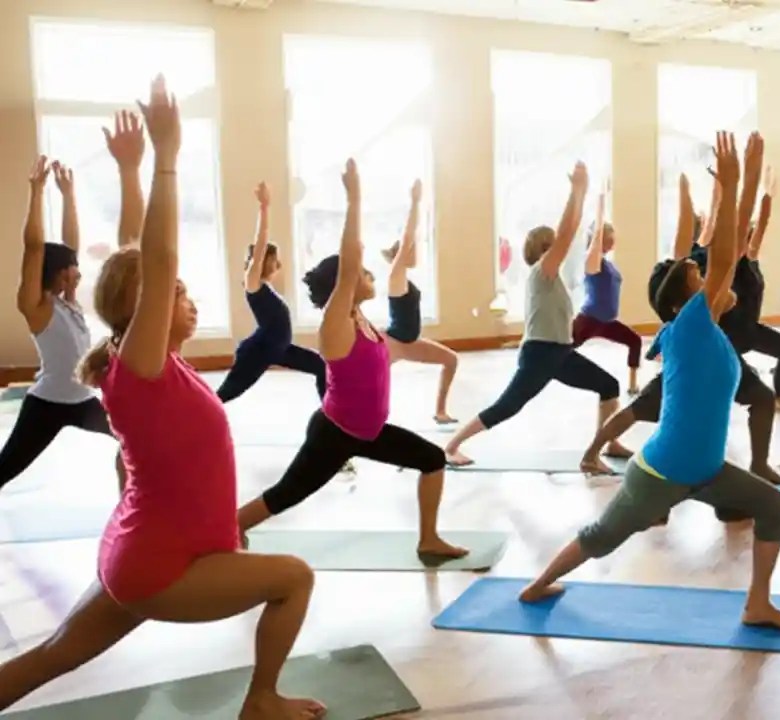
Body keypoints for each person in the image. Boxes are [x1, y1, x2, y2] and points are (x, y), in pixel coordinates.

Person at [0, 77, 326, 720]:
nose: (188, 298)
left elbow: (132, 250)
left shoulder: (144, 359)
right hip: (162, 566)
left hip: (144, 549)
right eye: (175, 293)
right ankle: (262, 701)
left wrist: (130, 170)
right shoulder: (141, 364)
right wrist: (168, 155)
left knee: (55, 656)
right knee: (294, 578)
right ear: (143, 306)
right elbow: (153, 253)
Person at [519, 131, 780, 634]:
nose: (716, 281)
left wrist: (748, 178)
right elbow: (725, 255)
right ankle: (539, 582)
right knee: (602, 536)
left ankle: (757, 603)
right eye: (701, 279)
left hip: (708, 469)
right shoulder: (692, 324)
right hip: (662, 472)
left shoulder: (703, 328)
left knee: (774, 507)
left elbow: (731, 253)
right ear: (687, 299)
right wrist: (738, 179)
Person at [236, 160, 468, 562]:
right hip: (336, 434)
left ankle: (428, 539)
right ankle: (233, 525)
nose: (369, 276)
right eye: (362, 273)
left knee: (432, 459)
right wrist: (354, 197)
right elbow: (350, 260)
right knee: (285, 495)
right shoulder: (336, 323)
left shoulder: (362, 318)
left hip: (369, 430)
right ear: (344, 283)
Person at [579, 134, 780, 487]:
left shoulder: (702, 283)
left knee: (762, 398)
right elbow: (730, 237)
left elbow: (733, 232)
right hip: (691, 367)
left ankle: (759, 464)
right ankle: (593, 453)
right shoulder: (696, 306)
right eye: (696, 274)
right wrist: (743, 178)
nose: (701, 272)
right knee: (640, 410)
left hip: (722, 359)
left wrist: (742, 179)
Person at [443, 162, 627, 468]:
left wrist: (582, 195)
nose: (560, 245)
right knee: (508, 406)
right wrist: (577, 191)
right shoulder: (543, 270)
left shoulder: (548, 275)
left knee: (608, 385)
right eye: (553, 242)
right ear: (545, 247)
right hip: (541, 354)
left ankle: (605, 446)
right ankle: (451, 446)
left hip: (560, 352)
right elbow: (568, 231)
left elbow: (569, 233)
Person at [1, 156, 124, 492]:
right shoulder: (37, 306)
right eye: (69, 267)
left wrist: (68, 195)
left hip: (83, 402)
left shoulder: (67, 301)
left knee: (133, 439)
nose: (77, 269)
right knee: (5, 468)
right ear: (54, 273)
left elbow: (70, 247)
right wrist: (37, 191)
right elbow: (34, 248)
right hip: (47, 406)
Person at [215, 181, 327, 403]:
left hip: (280, 348)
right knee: (225, 394)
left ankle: (330, 414)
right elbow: (260, 244)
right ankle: (196, 414)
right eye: (274, 259)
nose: (278, 264)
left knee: (321, 366)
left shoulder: (266, 286)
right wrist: (264, 207)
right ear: (264, 259)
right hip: (259, 351)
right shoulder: (252, 281)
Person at [379, 179, 459, 425]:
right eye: (413, 250)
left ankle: (440, 411)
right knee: (375, 385)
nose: (417, 254)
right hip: (393, 343)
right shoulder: (396, 274)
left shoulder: (404, 278)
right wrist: (415, 203)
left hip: (408, 341)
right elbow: (407, 237)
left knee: (451, 360)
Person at [571, 181, 644, 396]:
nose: (613, 242)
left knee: (635, 341)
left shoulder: (609, 263)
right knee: (561, 348)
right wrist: (601, 201)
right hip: (589, 320)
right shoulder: (591, 261)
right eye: (608, 238)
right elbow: (597, 237)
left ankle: (632, 384)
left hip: (607, 321)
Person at [745, 166, 780, 411]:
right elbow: (761, 223)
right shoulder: (743, 257)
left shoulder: (751, 260)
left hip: (746, 328)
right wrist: (767, 194)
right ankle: (778, 395)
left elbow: (758, 225)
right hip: (737, 333)